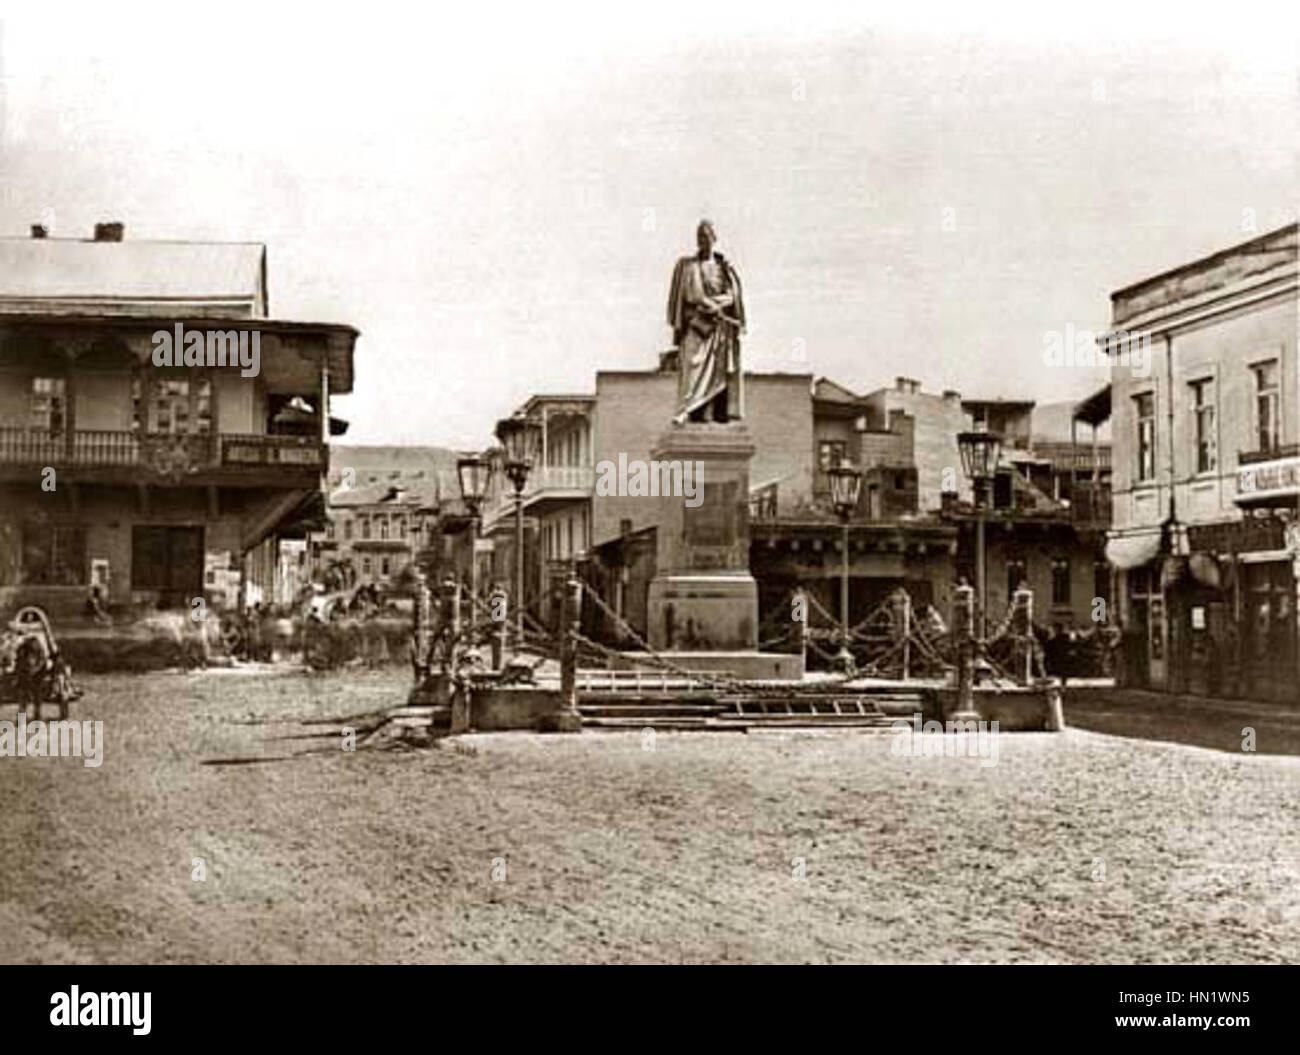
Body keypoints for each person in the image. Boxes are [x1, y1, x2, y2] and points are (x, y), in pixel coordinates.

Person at [666, 220, 747, 424]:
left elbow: (733, 295)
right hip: (697, 324)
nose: (703, 240)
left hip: (720, 328)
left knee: (720, 372)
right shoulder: (688, 266)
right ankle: (694, 412)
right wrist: (706, 305)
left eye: (706, 236)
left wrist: (717, 304)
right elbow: (688, 294)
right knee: (693, 367)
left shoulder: (724, 267)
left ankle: (720, 415)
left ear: (714, 238)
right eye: (699, 236)